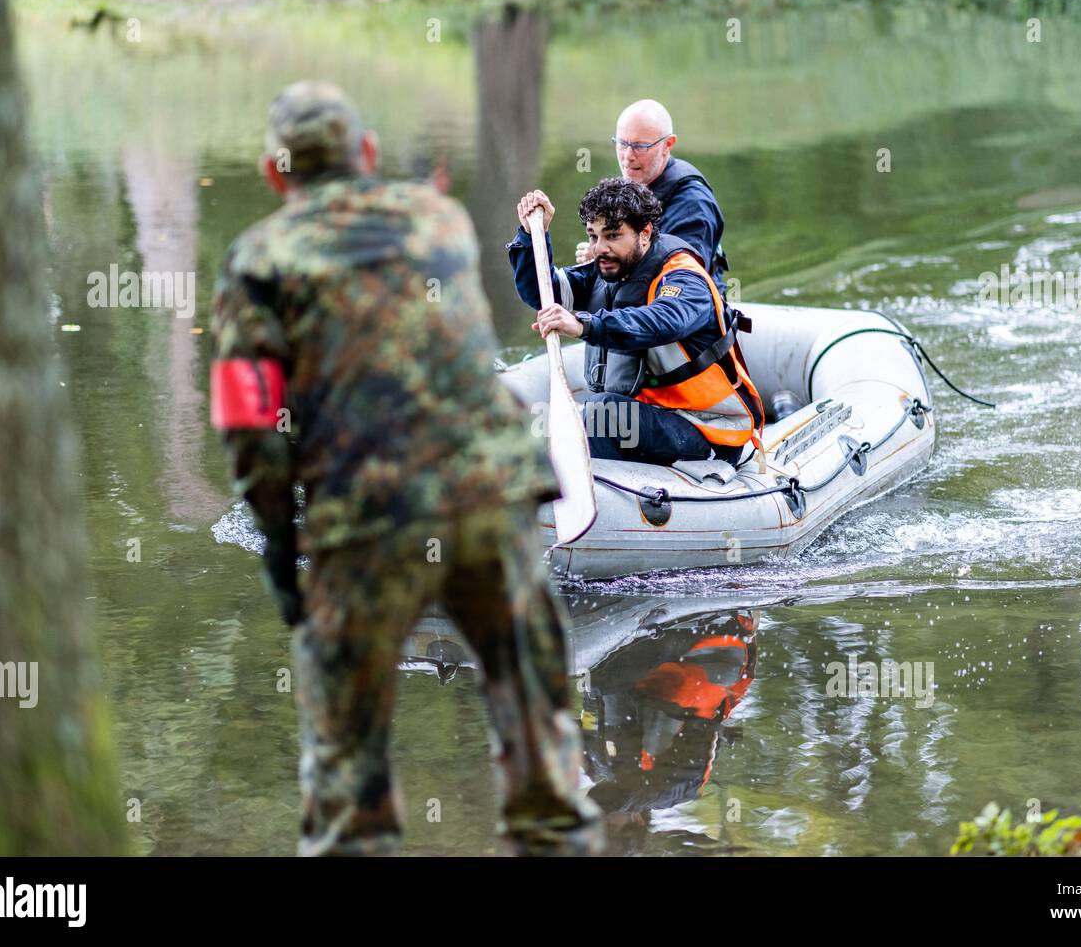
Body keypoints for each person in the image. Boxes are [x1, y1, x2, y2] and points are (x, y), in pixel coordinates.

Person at [210, 80, 600, 856]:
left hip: (364, 516)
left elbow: (250, 428)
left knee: (347, 788)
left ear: (272, 173)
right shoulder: (439, 220)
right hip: (494, 498)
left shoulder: (256, 261)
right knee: (545, 775)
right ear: (369, 154)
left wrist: (285, 562)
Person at [507, 177, 764, 466]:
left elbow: (663, 321)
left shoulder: (682, 276)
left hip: (707, 428)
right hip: (649, 416)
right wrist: (531, 236)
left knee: (600, 413)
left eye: (613, 236)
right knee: (580, 416)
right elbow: (544, 292)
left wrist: (584, 325)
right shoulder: (607, 270)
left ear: (644, 233)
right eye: (594, 236)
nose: (600, 248)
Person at [574, 99, 729, 294]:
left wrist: (611, 257)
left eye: (640, 146)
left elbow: (683, 280)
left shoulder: (693, 204)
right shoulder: (631, 187)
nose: (628, 156)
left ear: (668, 144)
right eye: (622, 143)